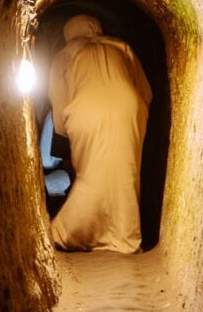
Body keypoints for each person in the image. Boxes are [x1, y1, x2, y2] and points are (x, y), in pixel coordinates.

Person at [48, 14, 152, 253]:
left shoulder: (65, 54)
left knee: (90, 174)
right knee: (125, 172)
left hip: (86, 110)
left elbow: (59, 95)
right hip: (128, 109)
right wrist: (138, 111)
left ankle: (68, 231)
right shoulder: (121, 45)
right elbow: (144, 88)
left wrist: (63, 127)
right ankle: (124, 233)